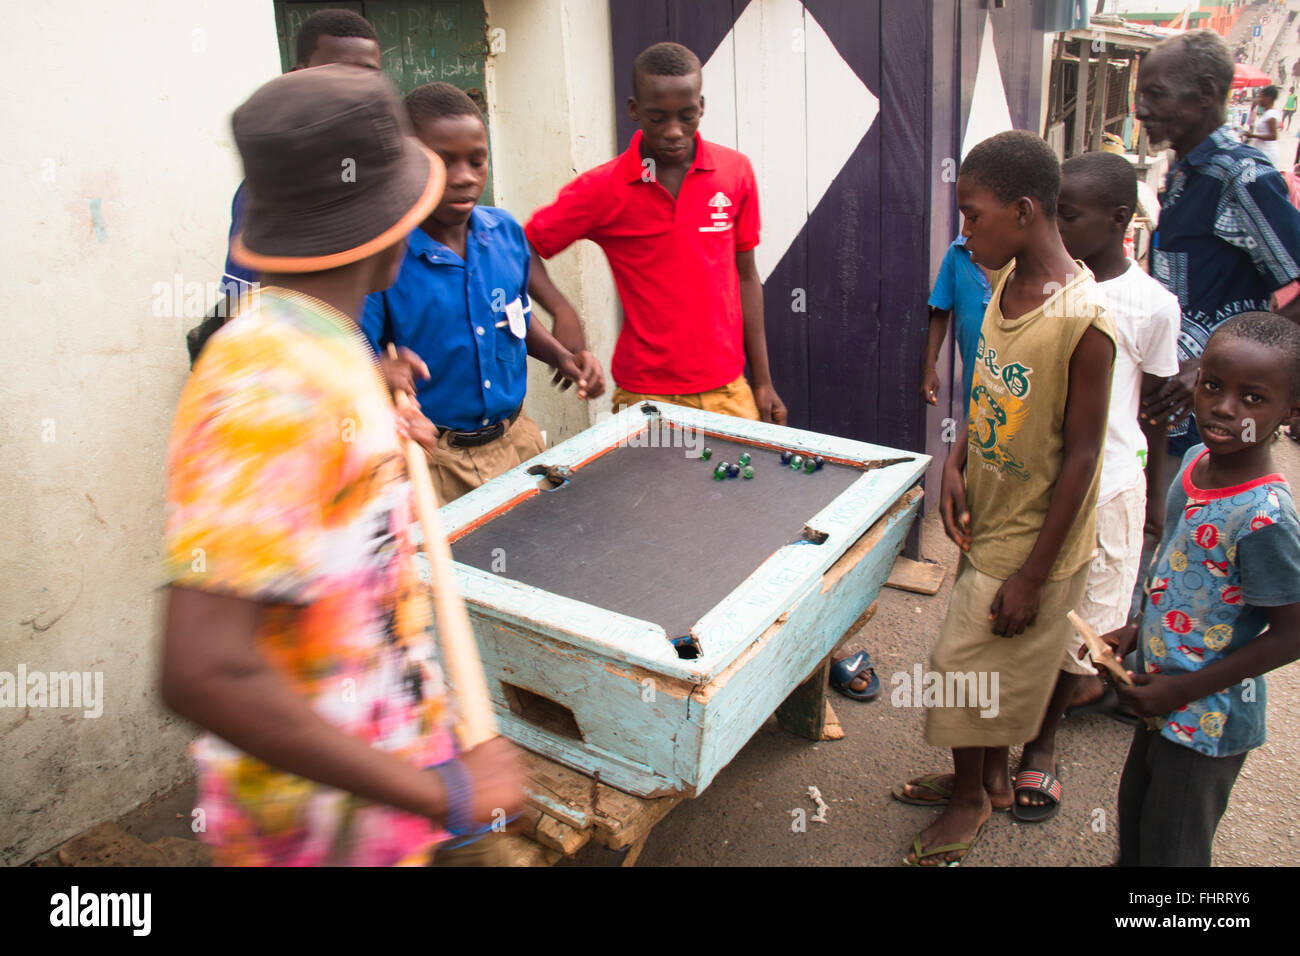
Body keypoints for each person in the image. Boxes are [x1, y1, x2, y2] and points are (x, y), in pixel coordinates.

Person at [161, 65, 524, 866]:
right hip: (315, 836)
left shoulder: (325, 346)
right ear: (394, 223)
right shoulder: (268, 381)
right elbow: (202, 669)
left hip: (394, 789)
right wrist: (451, 795)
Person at [894, 130, 1116, 865]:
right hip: (986, 515)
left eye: (972, 214)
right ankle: (986, 780)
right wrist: (955, 462)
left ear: (1024, 210)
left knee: (964, 664)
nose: (964, 230)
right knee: (981, 663)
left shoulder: (1084, 323)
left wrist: (1031, 574)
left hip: (1032, 540)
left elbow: (1082, 457)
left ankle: (967, 801)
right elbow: (986, 385)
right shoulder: (1002, 283)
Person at [1011, 152, 1181, 822]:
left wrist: (1155, 504)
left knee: (1085, 629)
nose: (1054, 225)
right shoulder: (1040, 282)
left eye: (1069, 215)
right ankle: (996, 745)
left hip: (1110, 487)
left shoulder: (1152, 305)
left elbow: (1156, 415)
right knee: (1022, 613)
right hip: (1037, 482)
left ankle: (1042, 744)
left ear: (1119, 221)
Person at [1097, 313, 1300, 866]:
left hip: (1208, 722)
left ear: (1289, 413)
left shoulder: (1265, 517)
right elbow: (1178, 572)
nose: (1225, 408)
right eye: (1213, 387)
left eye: (1253, 399)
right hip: (1159, 696)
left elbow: (1289, 636)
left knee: (1174, 858)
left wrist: (1182, 690)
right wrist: (1136, 631)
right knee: (1136, 836)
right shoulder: (1194, 464)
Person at [362, 82, 604, 504]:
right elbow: (353, 354)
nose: (465, 177)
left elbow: (512, 316)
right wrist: (380, 368)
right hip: (432, 460)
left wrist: (560, 356)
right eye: (444, 162)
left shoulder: (505, 232)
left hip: (517, 442)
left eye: (477, 161)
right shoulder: (385, 257)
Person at [524, 42, 786, 424]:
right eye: (658, 117)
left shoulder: (735, 172)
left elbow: (746, 276)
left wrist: (762, 381)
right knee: (653, 487)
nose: (674, 132)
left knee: (738, 483)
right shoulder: (604, 188)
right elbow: (523, 247)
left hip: (729, 389)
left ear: (702, 107)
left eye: (687, 115)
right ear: (634, 110)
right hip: (646, 394)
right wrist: (563, 311)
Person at [1137, 30, 1300, 534]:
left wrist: (1208, 368)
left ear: (1206, 93)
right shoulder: (1187, 172)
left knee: (1201, 552)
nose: (1141, 109)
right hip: (1169, 418)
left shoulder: (1241, 177)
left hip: (1214, 423)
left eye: (1156, 94)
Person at [188, 8, 383, 365]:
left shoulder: (388, 178)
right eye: (335, 74)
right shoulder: (273, 187)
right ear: (299, 75)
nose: (351, 92)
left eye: (365, 77)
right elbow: (244, 303)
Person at [920, 234, 993, 412]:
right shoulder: (957, 251)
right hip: (974, 386)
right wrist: (930, 367)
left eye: (974, 216)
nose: (966, 228)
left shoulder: (1020, 258)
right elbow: (941, 310)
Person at [1243, 85, 1284, 168]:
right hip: (1261, 151)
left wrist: (1252, 135)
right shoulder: (1267, 112)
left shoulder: (1271, 115)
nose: (1259, 100)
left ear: (1268, 98)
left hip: (1267, 153)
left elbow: (1273, 136)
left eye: (1261, 97)